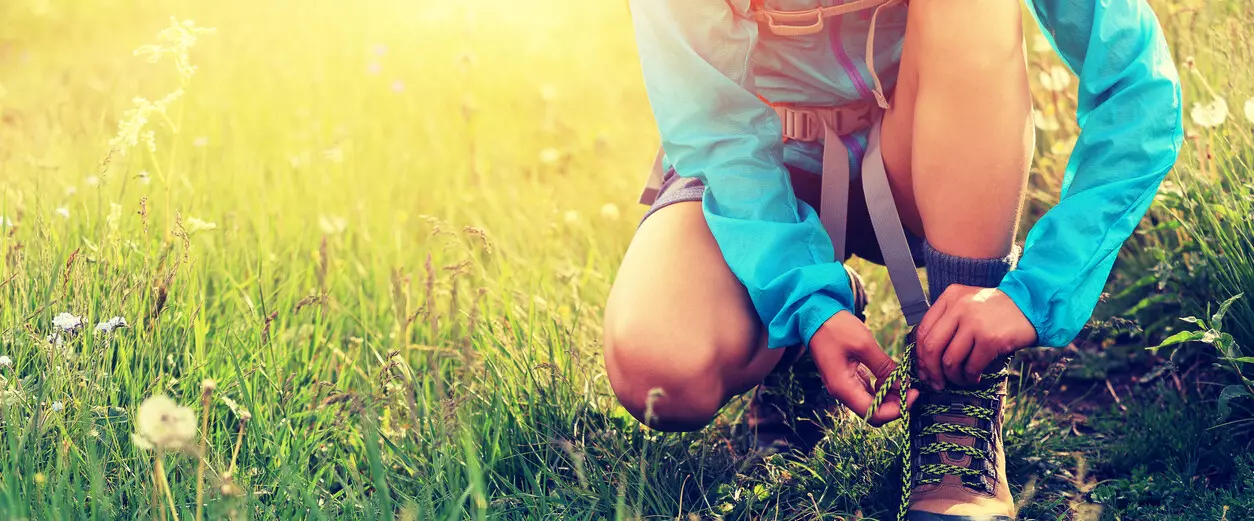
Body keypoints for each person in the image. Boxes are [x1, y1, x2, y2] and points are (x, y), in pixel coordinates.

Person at [603, 0, 1183, 519]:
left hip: (927, 156)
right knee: (661, 367)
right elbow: (715, 132)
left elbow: (1140, 88)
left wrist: (1039, 287)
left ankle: (961, 393)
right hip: (753, 175)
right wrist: (807, 300)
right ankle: (804, 334)